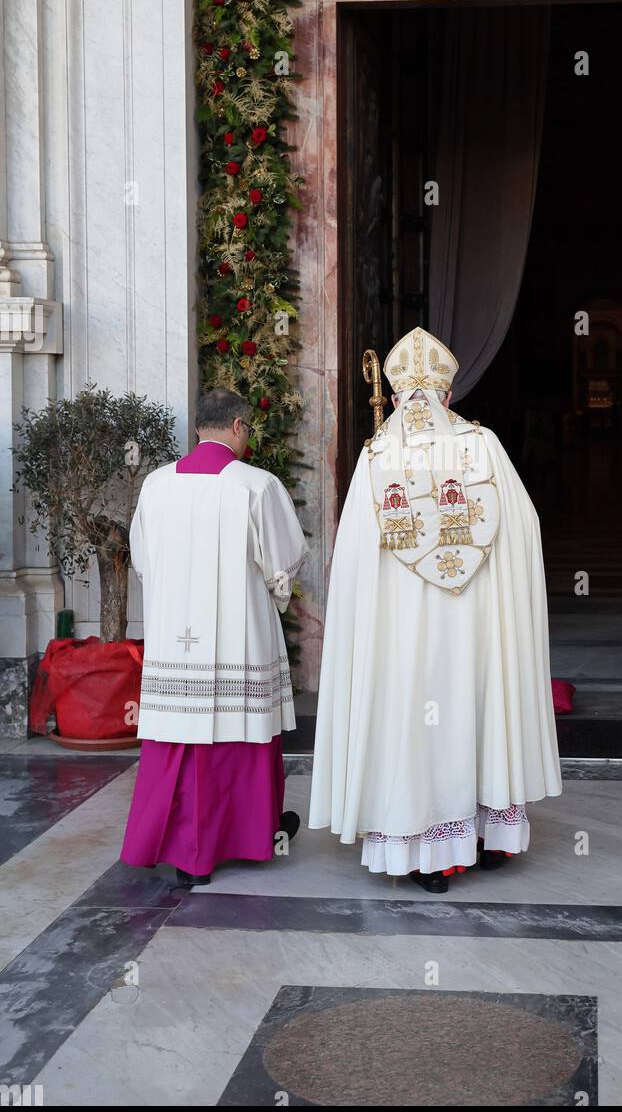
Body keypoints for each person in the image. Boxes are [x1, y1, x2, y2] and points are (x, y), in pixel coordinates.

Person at [309, 327, 561, 893]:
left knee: (414, 727)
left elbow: (350, 557)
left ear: (397, 398)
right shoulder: (484, 444)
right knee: (477, 712)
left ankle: (426, 853)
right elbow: (524, 527)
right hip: (472, 624)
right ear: (449, 396)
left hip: (402, 634)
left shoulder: (377, 454)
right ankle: (488, 835)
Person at [121, 388, 308, 886]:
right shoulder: (256, 486)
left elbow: (143, 561)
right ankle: (251, 834)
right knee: (236, 736)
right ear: (240, 426)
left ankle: (187, 853)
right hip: (237, 641)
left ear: (199, 427)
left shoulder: (156, 485)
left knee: (178, 742)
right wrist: (275, 593)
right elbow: (283, 564)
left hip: (171, 643)